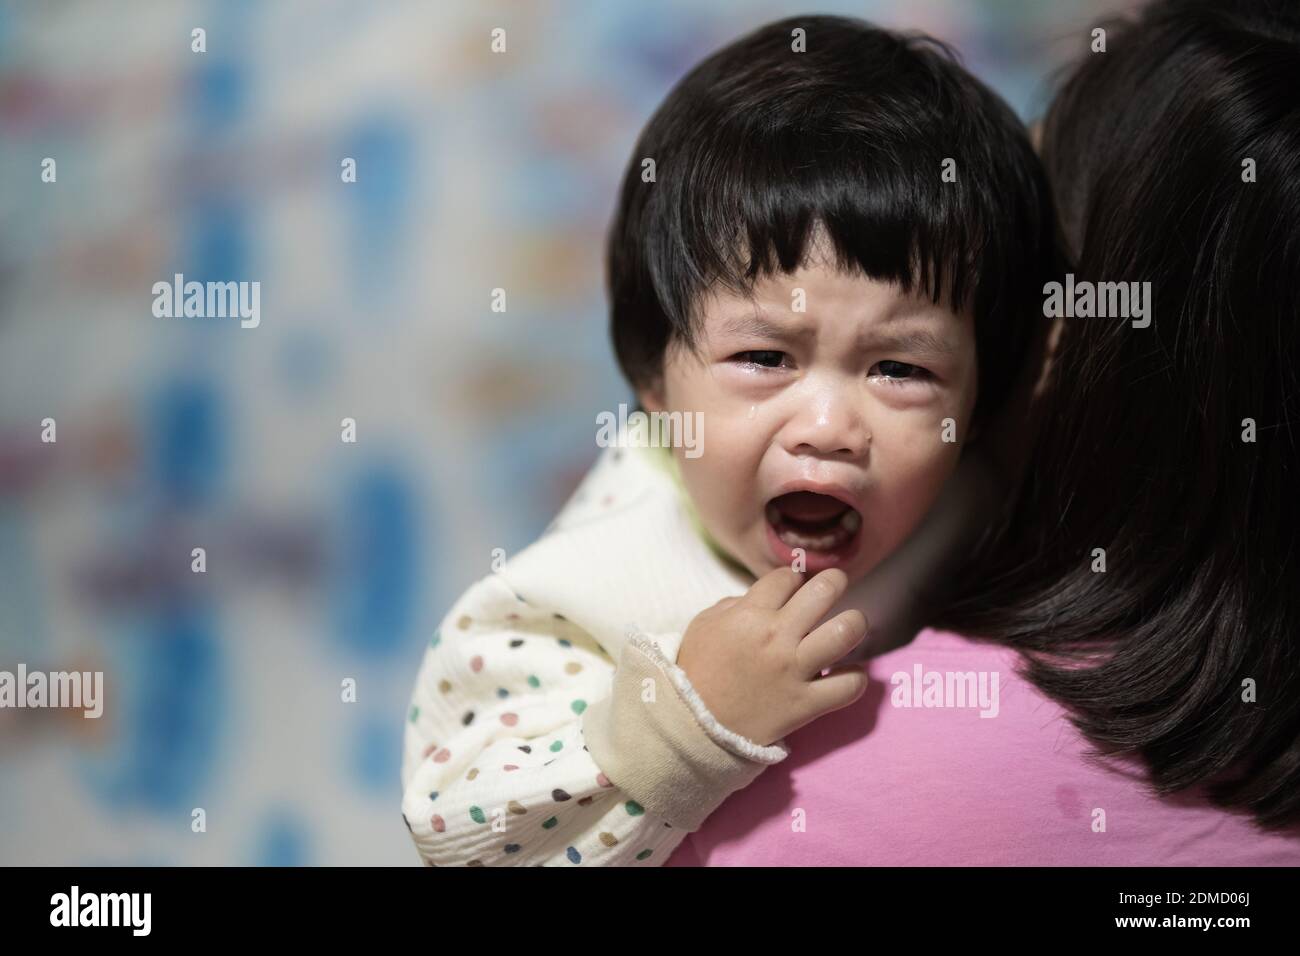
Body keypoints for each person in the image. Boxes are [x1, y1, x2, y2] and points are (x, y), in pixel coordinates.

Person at [398, 14, 1055, 865]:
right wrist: (685, 729)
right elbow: (456, 831)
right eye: (763, 357)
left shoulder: (977, 500)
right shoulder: (579, 598)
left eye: (899, 370)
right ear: (654, 376)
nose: (827, 429)